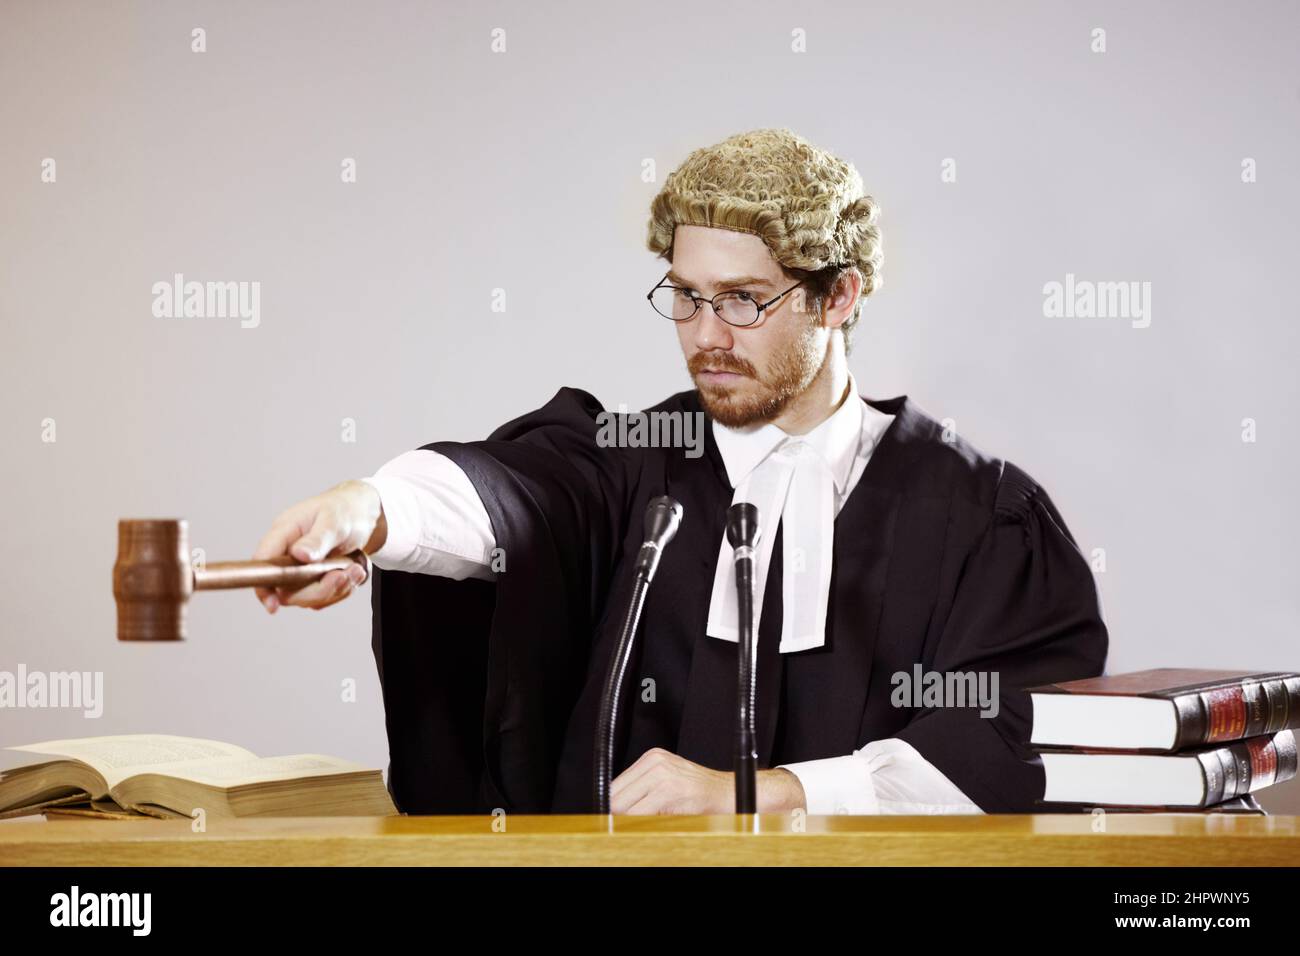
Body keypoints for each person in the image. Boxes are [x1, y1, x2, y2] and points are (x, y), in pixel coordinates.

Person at [252, 128, 1108, 816]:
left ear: (839, 297)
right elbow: (511, 498)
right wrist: (366, 508)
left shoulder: (979, 517)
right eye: (685, 296)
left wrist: (771, 795)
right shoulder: (632, 459)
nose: (705, 335)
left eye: (743, 299)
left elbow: (1007, 740)